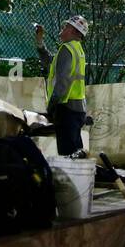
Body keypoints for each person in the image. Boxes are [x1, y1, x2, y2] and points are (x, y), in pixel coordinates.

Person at [44, 15, 90, 157]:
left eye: (66, 27)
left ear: (75, 32)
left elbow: (62, 81)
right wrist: (40, 44)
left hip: (66, 107)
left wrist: (52, 105)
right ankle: (80, 177)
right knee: (76, 152)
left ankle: (72, 178)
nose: (62, 29)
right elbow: (51, 62)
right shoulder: (77, 49)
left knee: (67, 154)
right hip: (78, 107)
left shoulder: (66, 49)